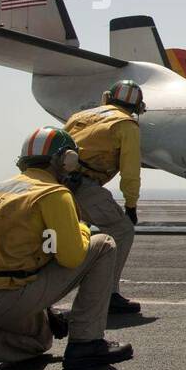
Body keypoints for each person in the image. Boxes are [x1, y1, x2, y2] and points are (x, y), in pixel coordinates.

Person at [0, 127, 134, 370]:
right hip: (6, 298)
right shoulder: (53, 193)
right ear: (67, 159)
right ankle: (86, 343)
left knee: (39, 341)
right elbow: (72, 257)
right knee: (104, 244)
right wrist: (82, 227)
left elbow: (18, 251)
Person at [64, 79, 146, 314]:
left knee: (65, 236)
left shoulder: (78, 117)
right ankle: (107, 294)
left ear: (108, 97)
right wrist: (131, 206)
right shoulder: (126, 125)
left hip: (56, 184)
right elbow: (130, 171)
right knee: (122, 230)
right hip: (84, 186)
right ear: (136, 107)